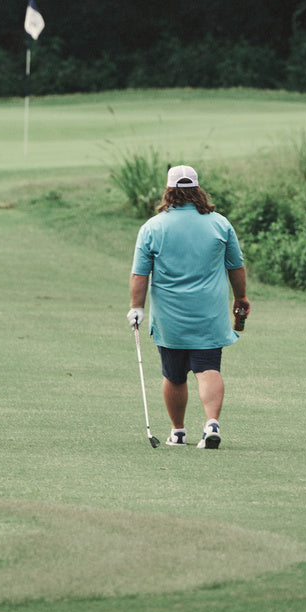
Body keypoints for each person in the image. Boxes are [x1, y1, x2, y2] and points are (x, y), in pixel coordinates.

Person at [128, 165, 250, 449]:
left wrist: (137, 307)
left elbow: (139, 274)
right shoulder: (220, 223)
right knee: (207, 368)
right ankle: (211, 424)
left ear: (169, 191)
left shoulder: (152, 226)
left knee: (173, 374)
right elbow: (236, 267)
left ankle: (178, 431)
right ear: (197, 190)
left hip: (170, 316)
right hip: (209, 312)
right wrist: (240, 298)